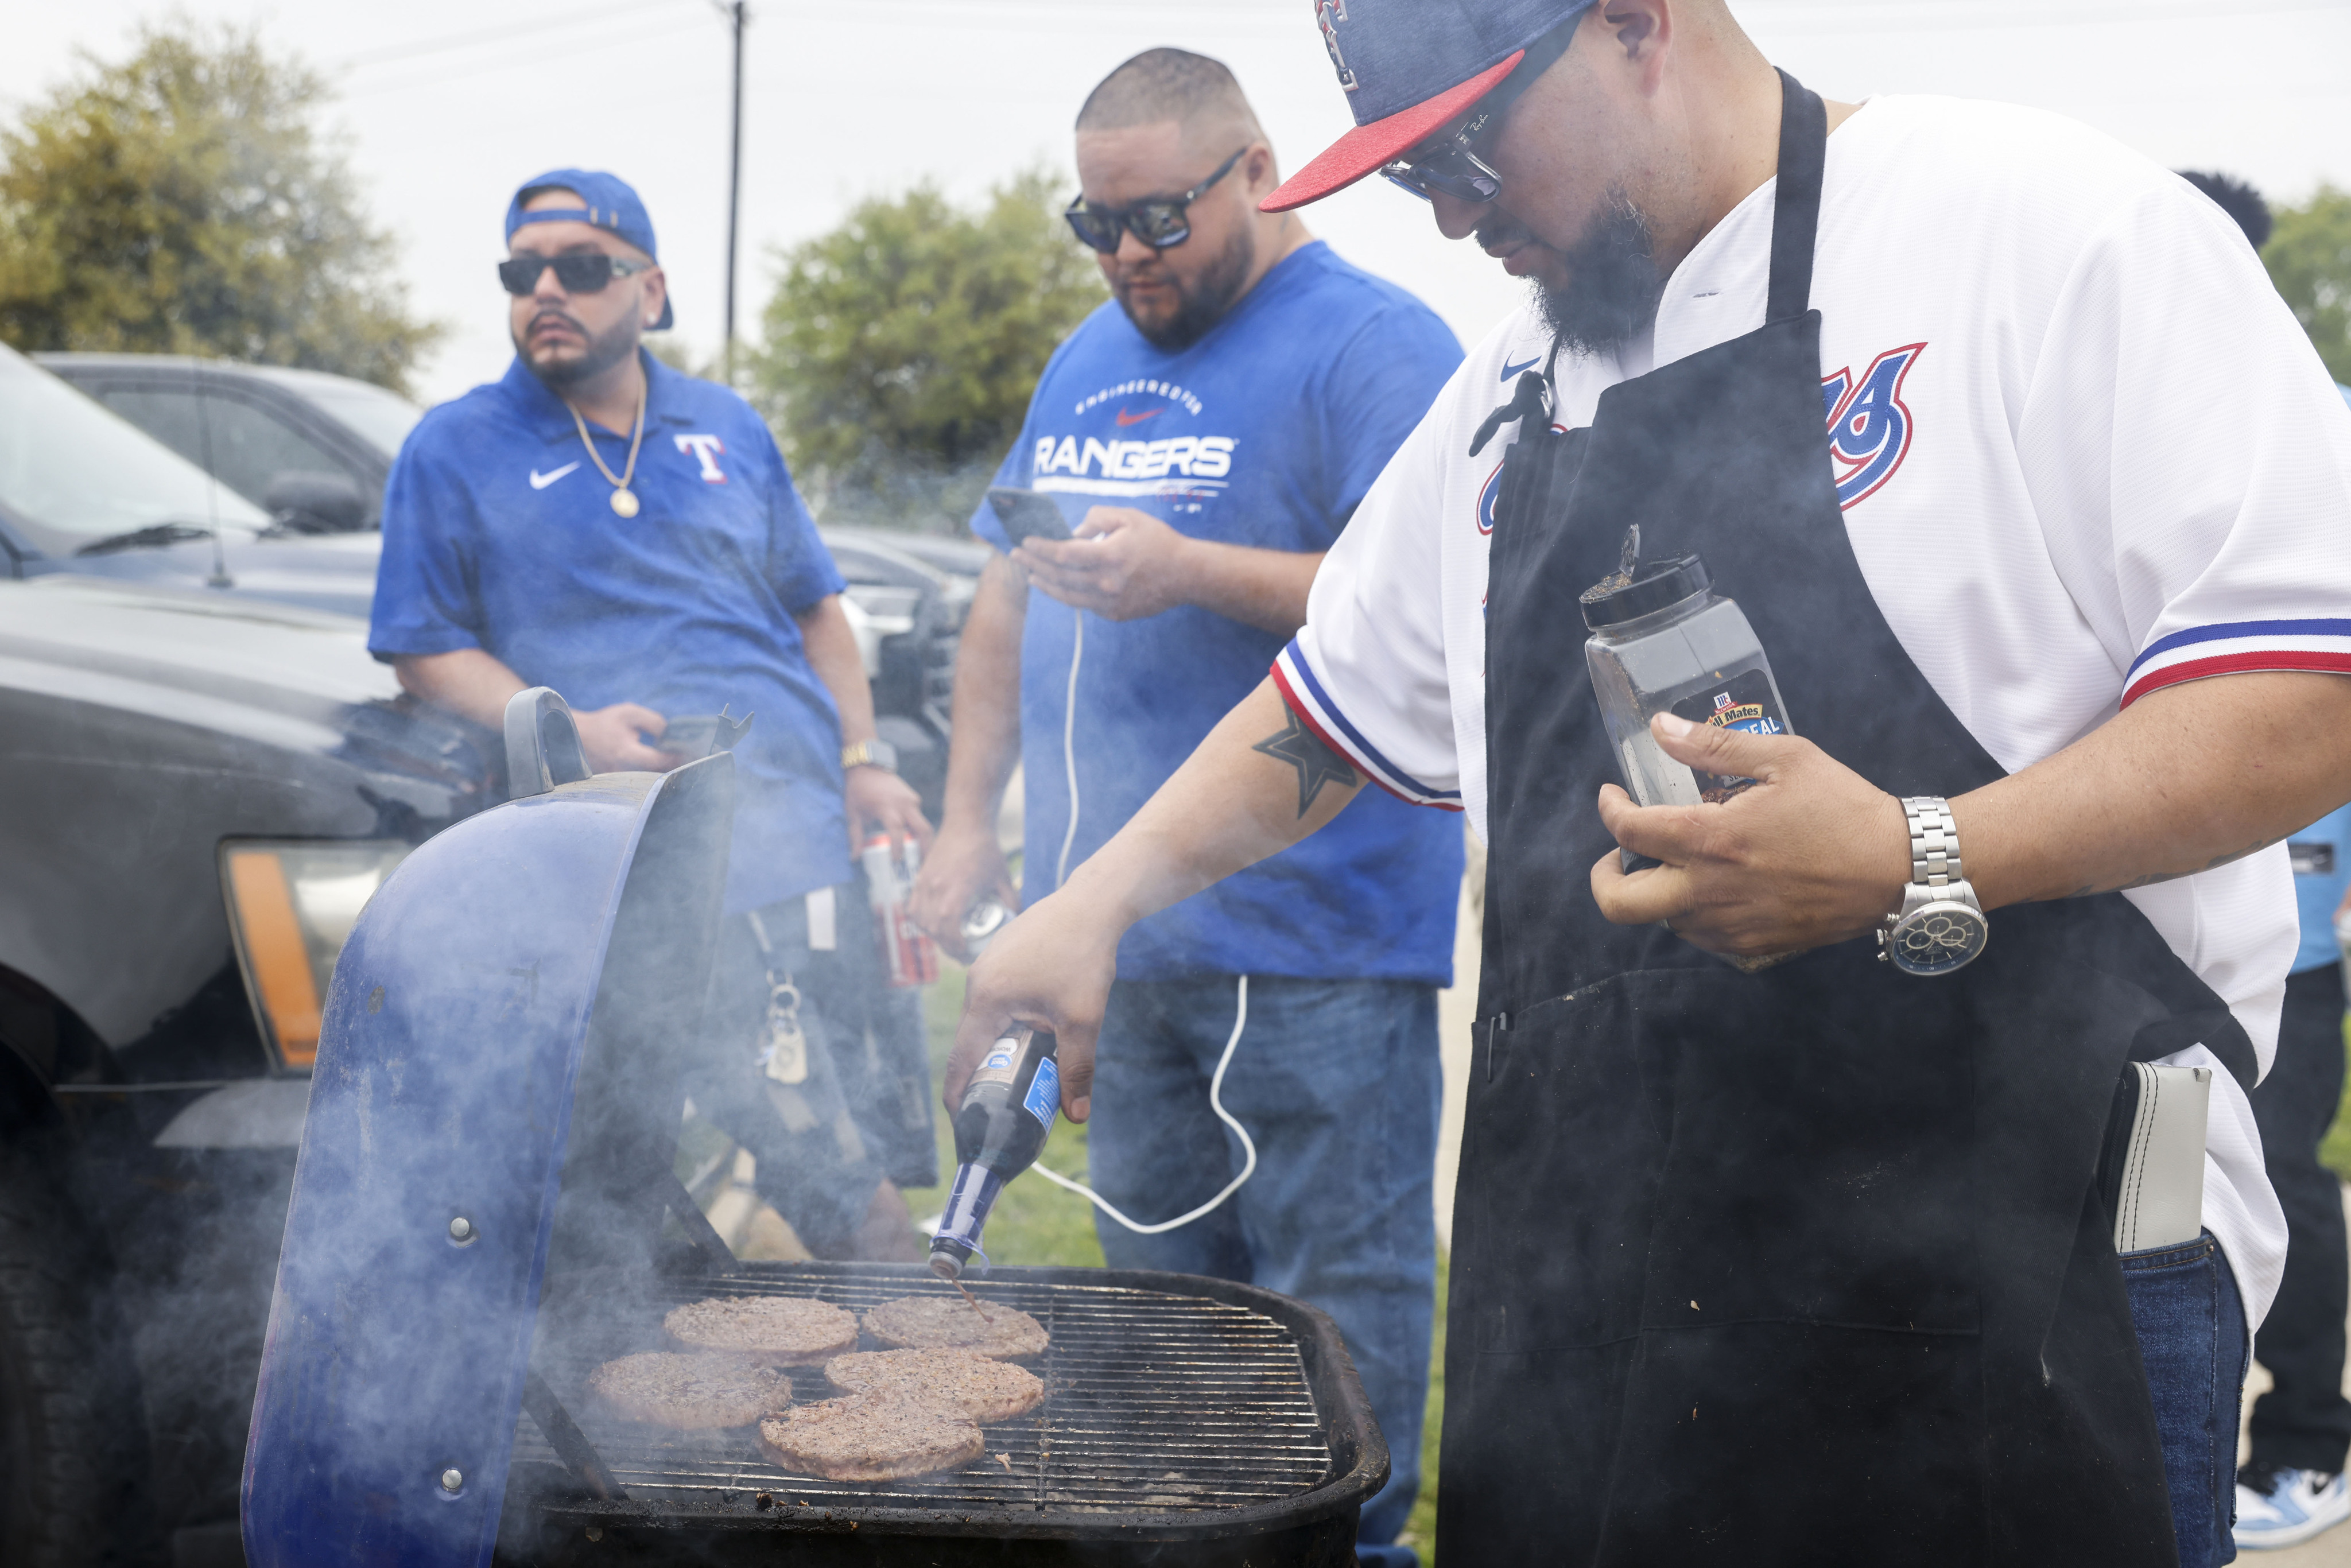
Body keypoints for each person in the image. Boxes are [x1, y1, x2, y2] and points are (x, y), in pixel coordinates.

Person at [948, 3, 2351, 1565]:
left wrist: (1914, 848)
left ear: (1633, 24)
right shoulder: (1504, 392)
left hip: (2027, 1283)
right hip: (1597, 1291)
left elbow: (2307, 683)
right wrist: (1092, 904)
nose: (1460, 211)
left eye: (1473, 145)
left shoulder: (2046, 236)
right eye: (1416, 175)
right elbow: (1330, 708)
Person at [905, 49, 1464, 1565]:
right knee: (1149, 1308)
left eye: (1159, 218)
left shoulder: (1377, 344)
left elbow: (1427, 610)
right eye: (1096, 225)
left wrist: (1189, 569)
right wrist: (969, 826)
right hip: (1114, 943)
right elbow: (1000, 611)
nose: (1130, 256)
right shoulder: (1088, 355)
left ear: (1257, 169)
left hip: (1320, 936)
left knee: (1331, 1313)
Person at [370, 169, 936, 1263]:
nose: (546, 290)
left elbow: (820, 613)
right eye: (521, 271)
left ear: (651, 290)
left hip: (801, 850)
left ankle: (880, 1390)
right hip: (635, 871)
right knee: (820, 1190)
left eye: (581, 269)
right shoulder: (456, 444)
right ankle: (916, 1370)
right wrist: (566, 726)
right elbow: (419, 646)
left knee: (859, 1135)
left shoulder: (727, 427)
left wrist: (864, 759)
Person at [2171, 168, 2351, 1554]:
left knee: (2284, 1169)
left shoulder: (2315, 439)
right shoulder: (2147, 438)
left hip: (2310, 898)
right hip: (2168, 918)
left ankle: (2302, 1442)